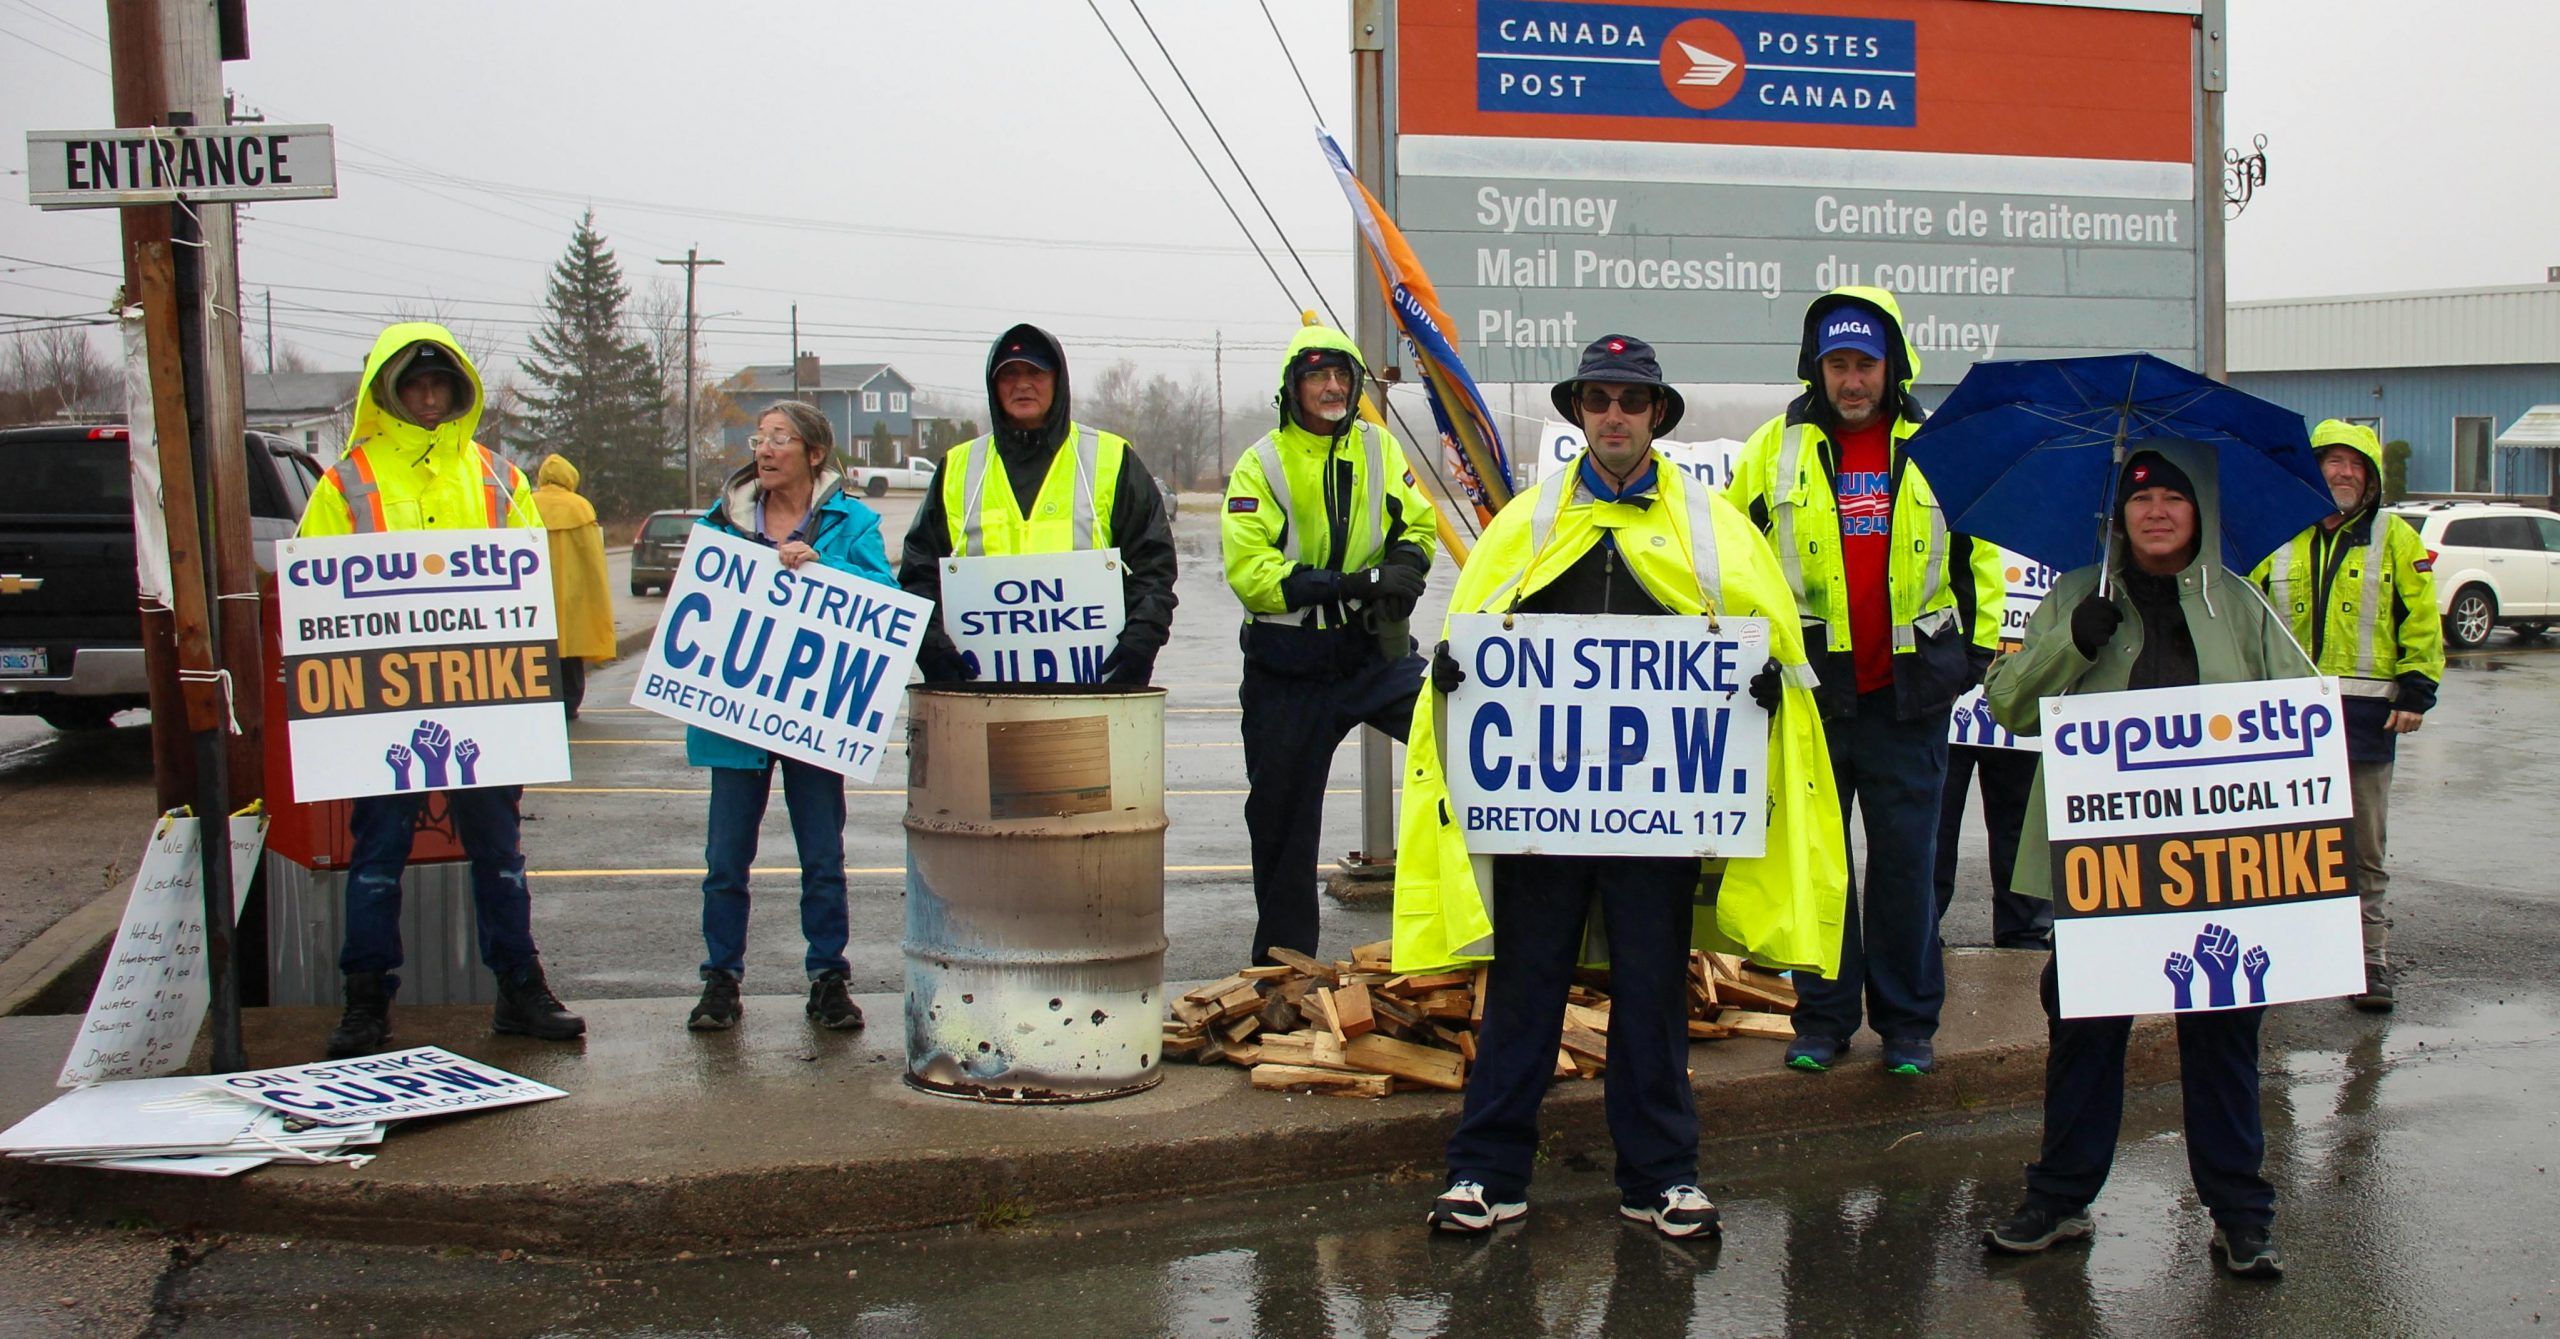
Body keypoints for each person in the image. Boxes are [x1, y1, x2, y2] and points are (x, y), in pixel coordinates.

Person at [1393, 334, 1845, 1237]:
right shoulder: (1527, 522)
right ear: (1578, 412)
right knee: (1526, 985)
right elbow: (1470, 637)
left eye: (1631, 401)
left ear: (1657, 416)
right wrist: (1453, 676)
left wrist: (1761, 687)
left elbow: (1777, 656)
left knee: (1651, 990)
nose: (1614, 416)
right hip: (1543, 811)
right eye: (1598, 399)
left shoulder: (1714, 525)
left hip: (1659, 812)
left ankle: (1662, 1177)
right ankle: (1485, 1171)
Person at [1981, 445, 2313, 1280]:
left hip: (2219, 864)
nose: (2157, 512)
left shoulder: (2240, 603)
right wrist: (2068, 646)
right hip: (2104, 864)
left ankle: (2241, 1214)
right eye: (2140, 498)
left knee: (2224, 1034)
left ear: (2201, 511)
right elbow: (2009, 704)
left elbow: (2301, 709)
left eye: (2174, 496)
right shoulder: (2075, 595)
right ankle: (2059, 1198)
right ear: (2117, 515)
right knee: (2085, 1029)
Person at [1727, 287, 2004, 1076]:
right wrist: (1750, 664)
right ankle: (1823, 1019)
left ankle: (1908, 1025)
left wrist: (1972, 656)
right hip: (1813, 696)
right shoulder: (1768, 450)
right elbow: (1732, 561)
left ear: (1894, 366)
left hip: (1910, 698)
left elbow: (1979, 557)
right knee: (1820, 866)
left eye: (1866, 365)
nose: (1852, 381)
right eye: (1838, 364)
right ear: (1816, 368)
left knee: (1907, 867)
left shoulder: (1942, 445)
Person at [296, 323, 585, 1058]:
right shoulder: (346, 481)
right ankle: (366, 1004)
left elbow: (529, 589)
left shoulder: (500, 477)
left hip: (482, 697)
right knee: (377, 858)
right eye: (415, 385)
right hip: (382, 701)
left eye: (440, 384)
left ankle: (520, 988)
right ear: (388, 392)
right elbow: (315, 590)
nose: (428, 398)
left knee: (501, 855)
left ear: (460, 392)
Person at [1221, 325, 1439, 966]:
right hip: (1288, 669)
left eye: (1342, 375)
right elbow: (1252, 575)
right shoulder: (1261, 463)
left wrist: (1406, 568)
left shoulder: (1378, 446)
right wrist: (1354, 583)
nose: (1332, 387)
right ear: (1293, 387)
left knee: (1463, 740)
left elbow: (1419, 525)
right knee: (1281, 823)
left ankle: (1480, 932)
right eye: (1317, 375)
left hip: (1371, 657)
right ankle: (1281, 972)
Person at [684, 401, 895, 1033]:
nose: (766, 449)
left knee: (822, 858)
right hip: (735, 717)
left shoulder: (851, 523)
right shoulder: (720, 522)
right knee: (725, 861)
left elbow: (888, 599)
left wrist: (826, 567)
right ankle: (720, 981)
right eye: (760, 438)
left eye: (781, 438)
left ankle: (828, 978)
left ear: (815, 453)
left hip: (814, 716)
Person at [2249, 419, 2442, 1011]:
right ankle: (2277, 960)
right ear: (2312, 470)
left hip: (2365, 721)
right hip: (2281, 722)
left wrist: (2416, 690)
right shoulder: (2276, 533)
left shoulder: (2396, 537)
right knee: (2278, 847)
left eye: (2358, 465)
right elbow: (2243, 610)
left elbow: (2421, 618)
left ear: (2373, 479)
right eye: (2334, 462)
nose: (2346, 473)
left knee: (2362, 851)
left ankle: (2368, 962)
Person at [900, 324, 1176, 686]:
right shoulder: (958, 466)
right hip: (980, 691)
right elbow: (919, 572)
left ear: (1058, 380)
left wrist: (1142, 640)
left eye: (1035, 372)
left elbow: (1153, 566)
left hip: (1092, 688)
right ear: (994, 385)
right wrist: (932, 648)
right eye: (1009, 374)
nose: (1023, 384)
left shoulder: (1111, 458)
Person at [530, 453, 614, 719]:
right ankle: (569, 702)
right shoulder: (581, 508)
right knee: (571, 647)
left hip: (534, 593)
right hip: (572, 592)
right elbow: (593, 559)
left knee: (538, 648)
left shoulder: (526, 505)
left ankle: (542, 701)